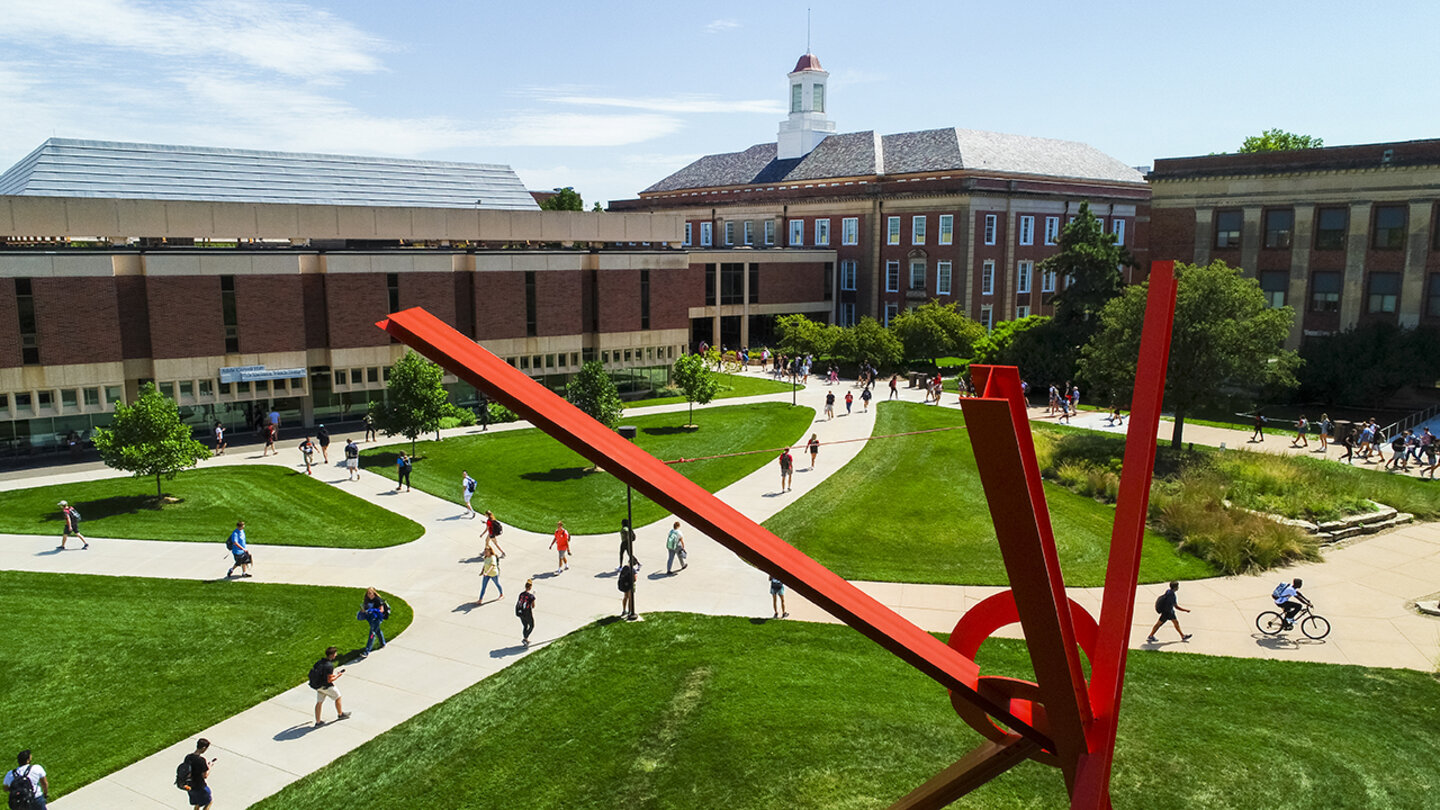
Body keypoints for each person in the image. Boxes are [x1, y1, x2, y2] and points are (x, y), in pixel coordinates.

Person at [308, 646, 351, 726]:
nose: (336, 655)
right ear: (331, 655)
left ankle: (318, 722)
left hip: (318, 686)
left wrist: (333, 676)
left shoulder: (320, 662)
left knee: (319, 702)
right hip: (326, 686)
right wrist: (338, 675)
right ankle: (340, 714)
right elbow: (329, 680)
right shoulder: (329, 666)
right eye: (335, 654)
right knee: (338, 697)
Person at [179, 739, 213, 810]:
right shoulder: (201, 760)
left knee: (198, 803)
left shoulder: (188, 757)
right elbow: (205, 775)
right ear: (203, 748)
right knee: (209, 802)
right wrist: (209, 767)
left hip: (190, 786)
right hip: (200, 786)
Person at [359, 587, 390, 657]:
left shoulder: (378, 600)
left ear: (374, 593)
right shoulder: (367, 600)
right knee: (377, 630)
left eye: (370, 593)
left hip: (377, 619)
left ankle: (367, 651)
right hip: (370, 618)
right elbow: (366, 607)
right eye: (368, 593)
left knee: (372, 634)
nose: (369, 595)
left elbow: (381, 610)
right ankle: (383, 643)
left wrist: (374, 610)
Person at [516, 580, 536, 646]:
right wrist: (533, 598)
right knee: (531, 626)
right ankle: (525, 639)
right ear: (530, 587)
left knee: (525, 626)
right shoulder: (531, 596)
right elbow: (533, 606)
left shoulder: (521, 594)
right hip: (527, 613)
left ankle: (526, 639)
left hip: (521, 613)